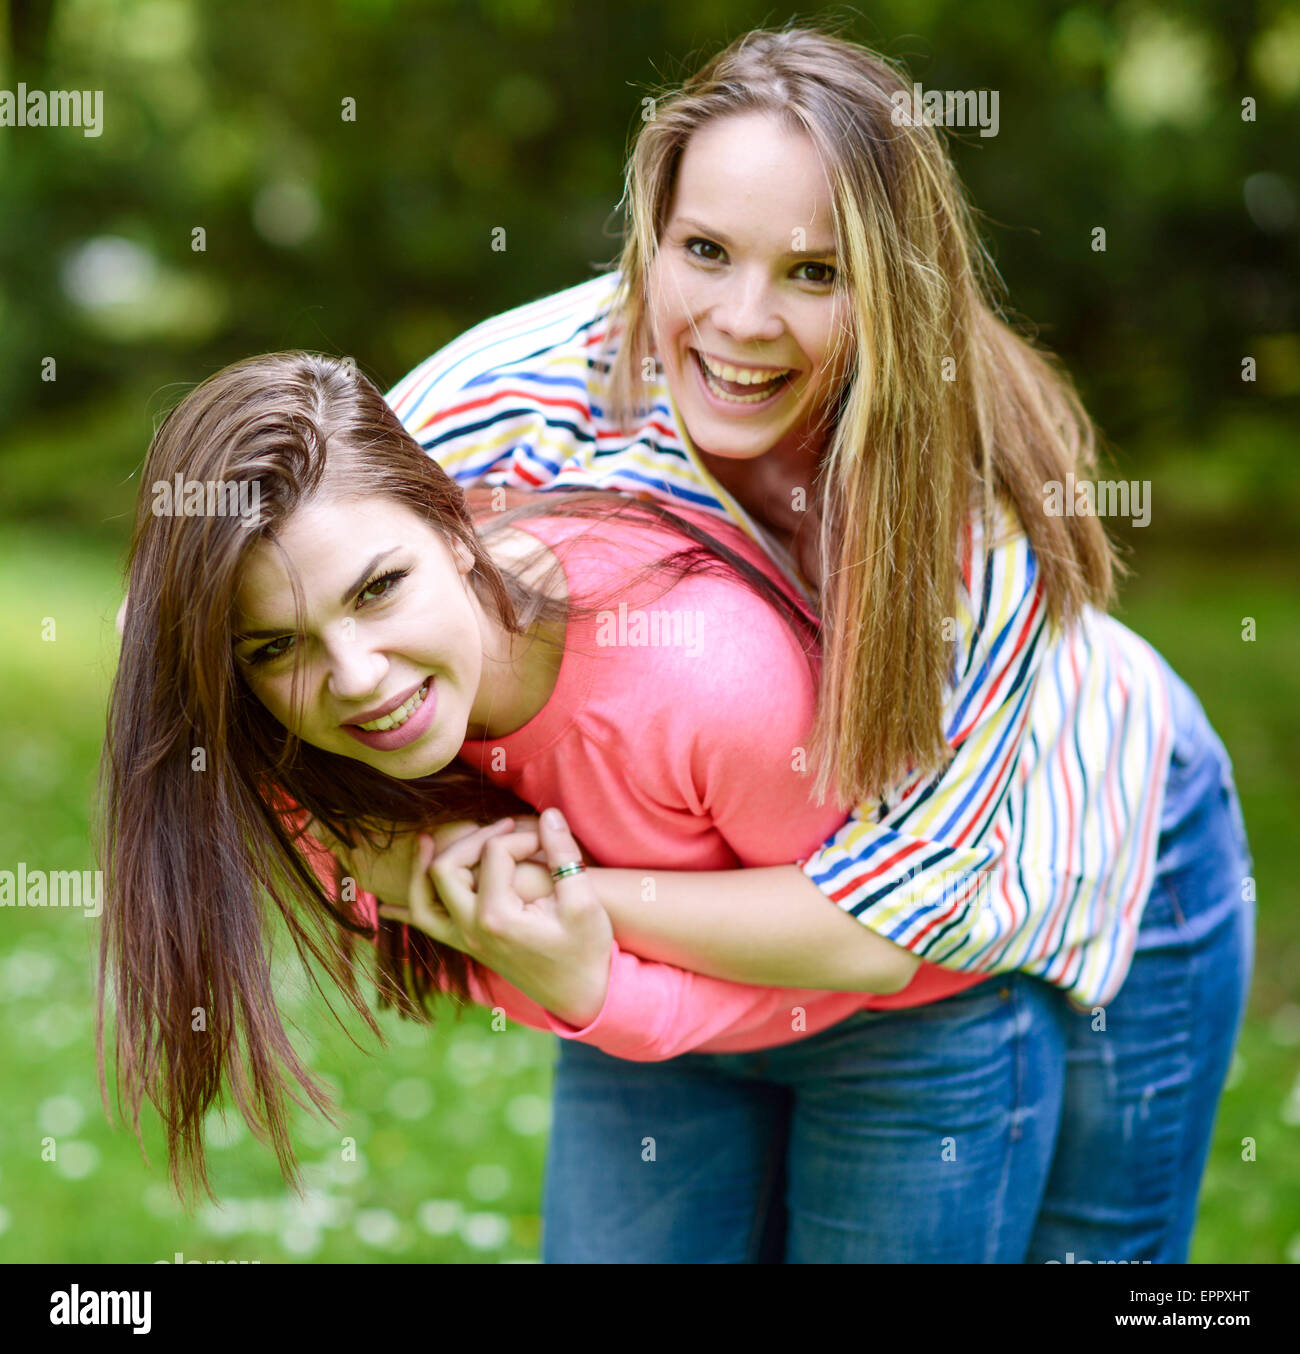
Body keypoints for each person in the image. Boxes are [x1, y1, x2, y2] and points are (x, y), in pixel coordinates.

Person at [373, 24, 1255, 1262]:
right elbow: (281, 583)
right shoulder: (523, 395)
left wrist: (558, 892)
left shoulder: (971, 518)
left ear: (893, 285)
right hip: (725, 900)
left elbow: (880, 925)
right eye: (705, 251)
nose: (741, 321)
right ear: (651, 236)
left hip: (1082, 852)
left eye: (813, 273)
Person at [99, 351, 1005, 1248]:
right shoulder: (295, 752)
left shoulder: (703, 674)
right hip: (652, 1034)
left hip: (915, 1029)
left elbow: (881, 942)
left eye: (379, 590)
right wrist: (579, 978)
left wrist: (565, 914)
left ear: (457, 530)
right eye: (276, 646)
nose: (357, 679)